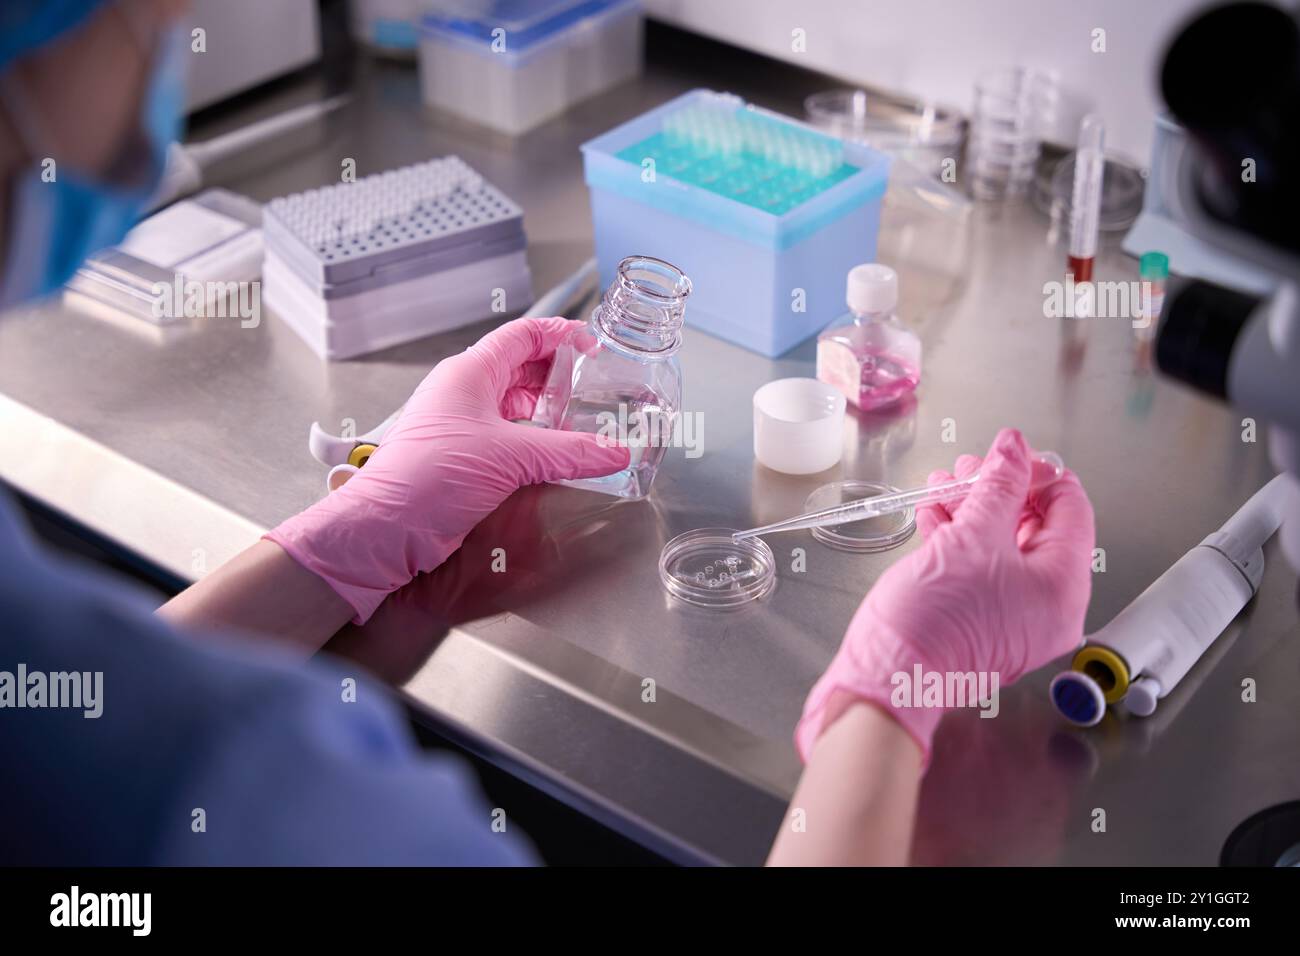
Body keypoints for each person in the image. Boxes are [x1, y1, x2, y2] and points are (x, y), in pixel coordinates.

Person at [0, 0, 1095, 866]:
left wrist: (352, 527)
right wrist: (892, 692)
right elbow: (166, 742)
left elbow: (115, 703)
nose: (172, 37)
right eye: (152, 11)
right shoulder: (274, 795)